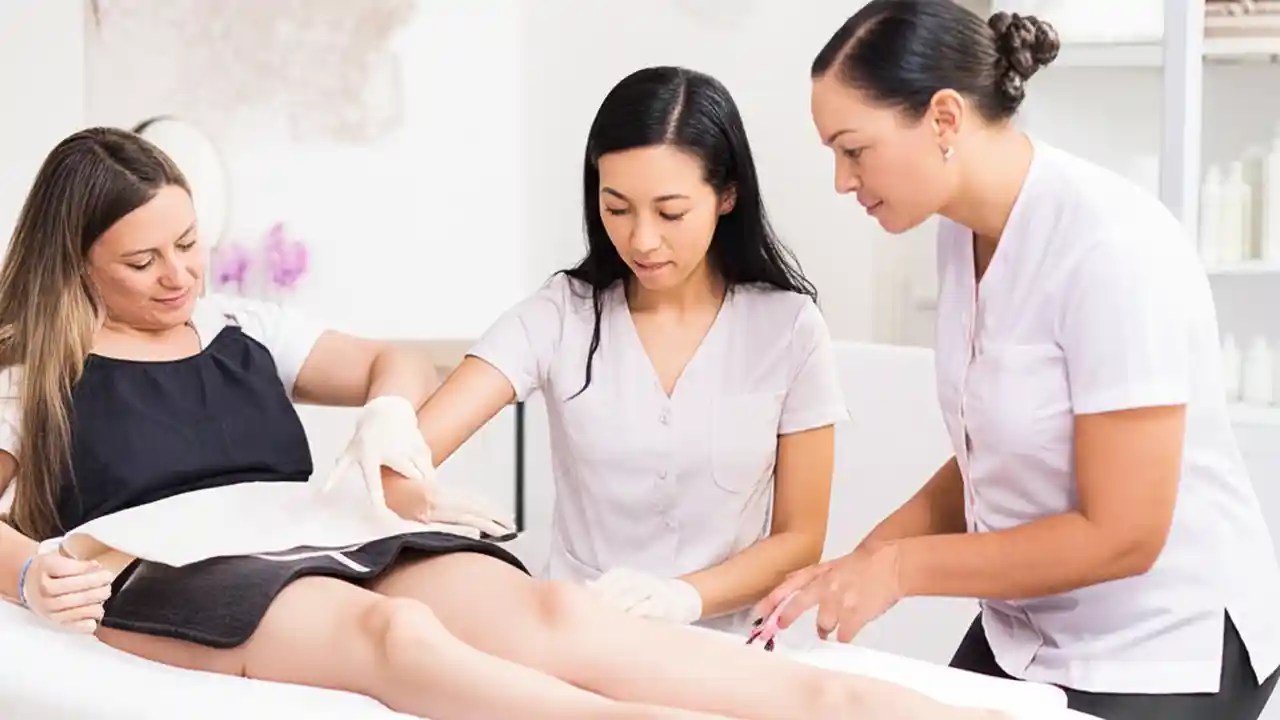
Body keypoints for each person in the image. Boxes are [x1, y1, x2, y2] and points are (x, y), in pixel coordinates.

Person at [0, 126, 1005, 720]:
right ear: (72, 262)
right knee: (396, 635)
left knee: (561, 616)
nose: (179, 276)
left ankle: (863, 709)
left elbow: (397, 361)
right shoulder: (29, 373)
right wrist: (27, 573)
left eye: (189, 244)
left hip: (322, 533)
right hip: (176, 572)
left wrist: (391, 418)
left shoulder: (242, 326)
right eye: (143, 264)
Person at [754, 2, 1280, 719]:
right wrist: (863, 559)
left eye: (853, 149)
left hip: (1164, 641)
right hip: (1031, 626)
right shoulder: (961, 231)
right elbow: (988, 451)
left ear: (943, 119)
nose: (842, 181)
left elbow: (1125, 533)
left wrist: (901, 569)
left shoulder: (1111, 248)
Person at [404, 65, 849, 634]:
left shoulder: (788, 328)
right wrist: (407, 482)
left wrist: (684, 598)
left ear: (728, 195)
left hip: (727, 649)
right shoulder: (562, 313)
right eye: (617, 209)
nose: (641, 239)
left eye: (671, 213)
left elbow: (799, 538)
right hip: (577, 638)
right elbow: (410, 453)